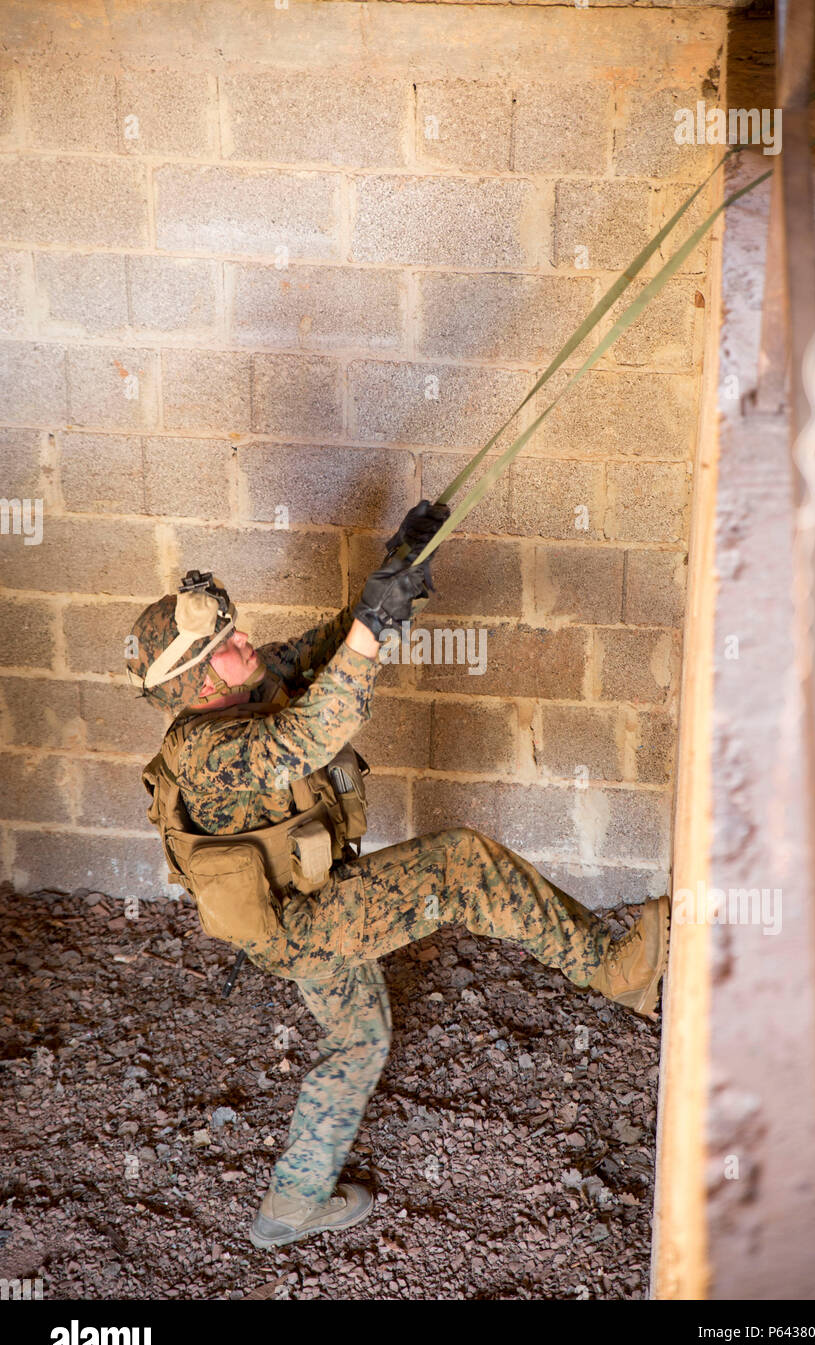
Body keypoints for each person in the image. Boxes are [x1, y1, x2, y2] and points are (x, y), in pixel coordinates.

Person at [126, 502, 669, 1250]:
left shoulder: (250, 679)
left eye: (235, 630)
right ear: (192, 684)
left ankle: (289, 1209)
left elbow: (323, 650)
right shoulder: (205, 754)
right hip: (303, 923)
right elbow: (311, 733)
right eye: (222, 645)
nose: (243, 641)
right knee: (459, 864)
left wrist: (395, 572)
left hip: (300, 909)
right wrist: (371, 631)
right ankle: (615, 971)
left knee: (360, 1041)